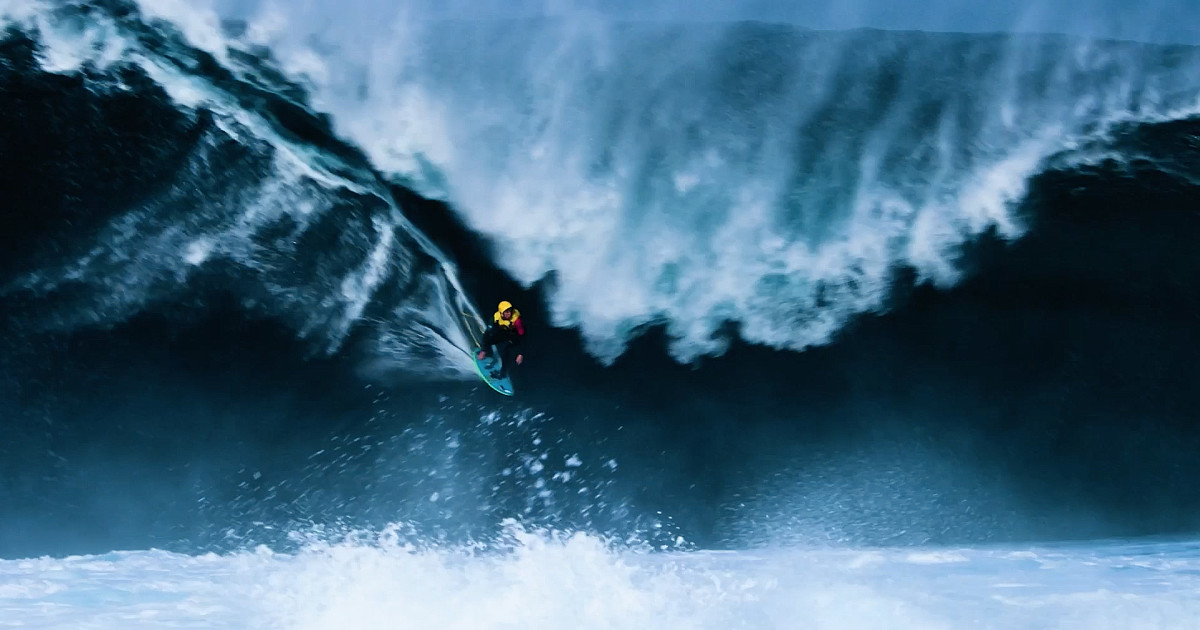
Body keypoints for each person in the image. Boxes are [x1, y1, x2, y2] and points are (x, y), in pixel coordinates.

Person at [477, 300, 525, 379]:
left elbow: (522, 337)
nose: (509, 313)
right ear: (501, 312)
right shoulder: (496, 317)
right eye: (506, 312)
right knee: (489, 337)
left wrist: (520, 354)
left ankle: (502, 374)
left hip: (514, 337)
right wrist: (484, 350)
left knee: (504, 350)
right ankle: (487, 353)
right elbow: (487, 333)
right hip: (503, 333)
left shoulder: (517, 321)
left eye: (510, 311)